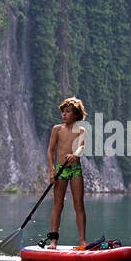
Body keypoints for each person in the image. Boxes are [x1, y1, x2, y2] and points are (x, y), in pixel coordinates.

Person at [46, 97, 87, 249]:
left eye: (68, 112)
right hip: (60, 170)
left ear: (76, 114)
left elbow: (81, 146)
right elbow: (50, 151)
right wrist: (51, 170)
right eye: (63, 112)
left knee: (79, 204)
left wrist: (75, 154)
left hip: (75, 169)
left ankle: (82, 240)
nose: (64, 114)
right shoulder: (57, 129)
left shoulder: (81, 131)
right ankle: (53, 240)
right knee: (58, 204)